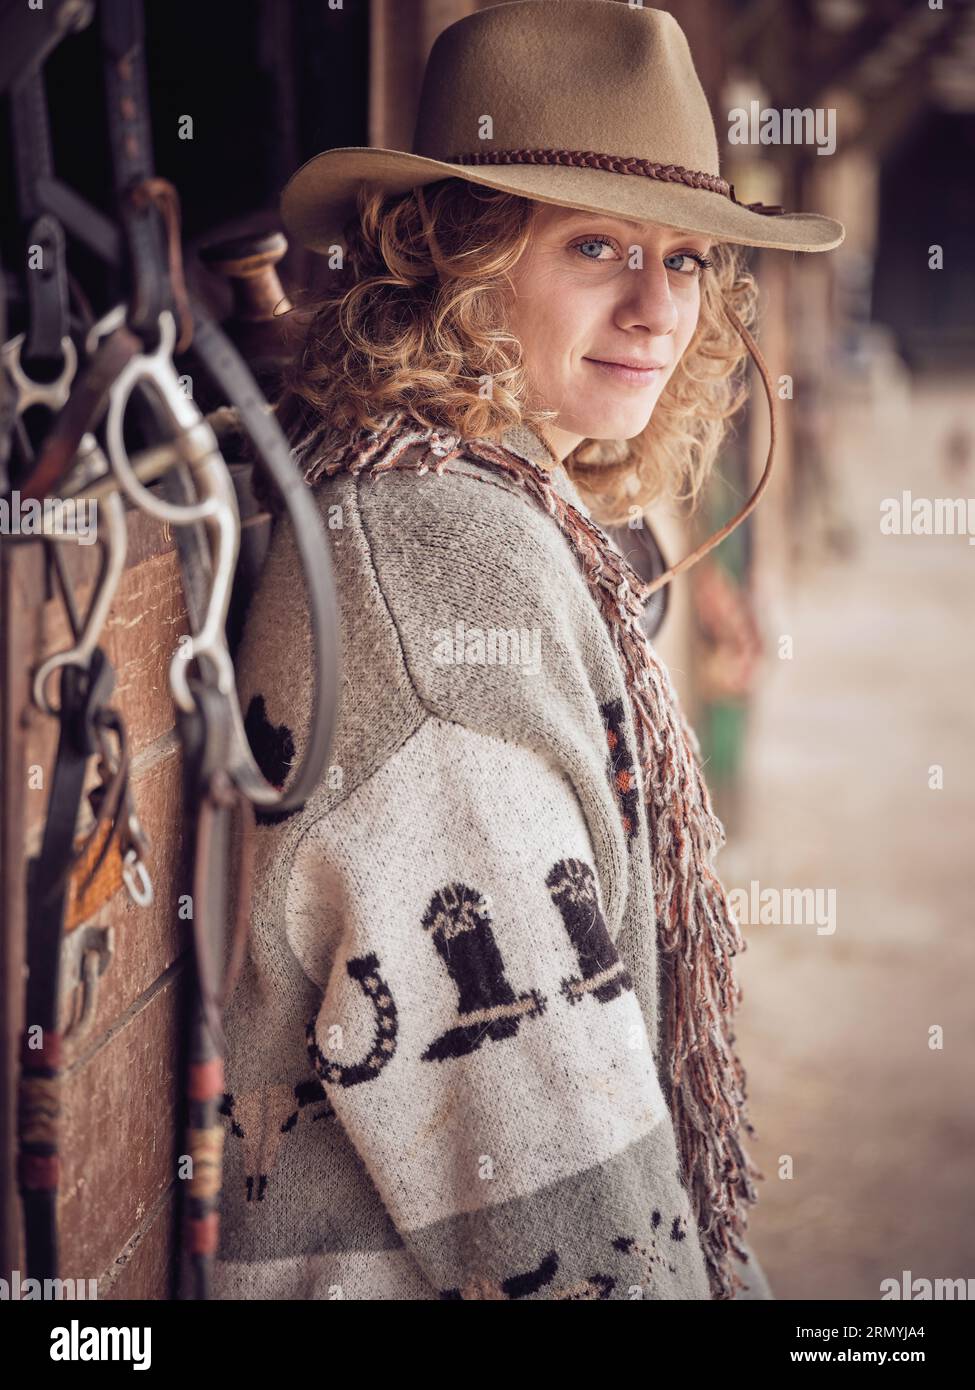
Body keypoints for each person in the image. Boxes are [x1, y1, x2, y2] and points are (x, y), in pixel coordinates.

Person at [212, 0, 844, 1301]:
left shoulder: (503, 507)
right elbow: (558, 1175)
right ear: (454, 257)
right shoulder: (440, 560)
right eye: (597, 245)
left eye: (685, 258)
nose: (657, 307)